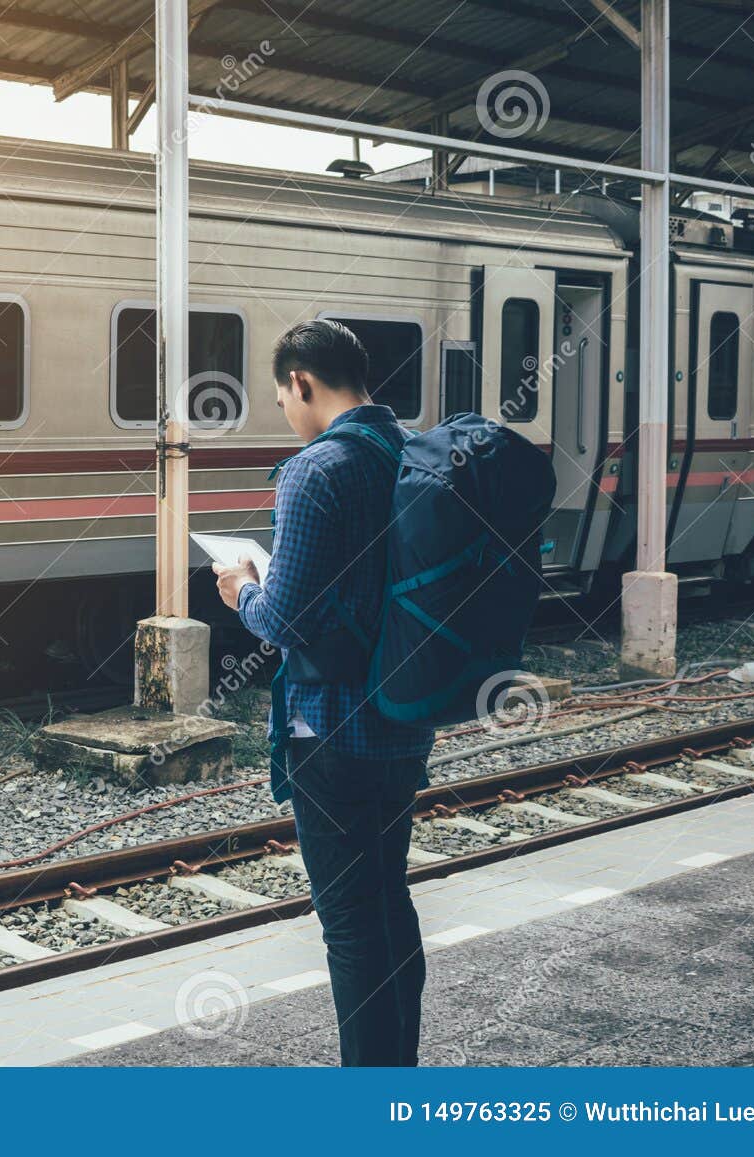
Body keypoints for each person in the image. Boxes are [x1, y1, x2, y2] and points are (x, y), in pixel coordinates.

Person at [213, 319, 435, 1066]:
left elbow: (285, 621)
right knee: (388, 903)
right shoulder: (407, 451)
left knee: (349, 925)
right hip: (403, 723)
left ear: (302, 383)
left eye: (283, 400)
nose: (288, 412)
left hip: (331, 730)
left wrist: (242, 588)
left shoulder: (317, 470)